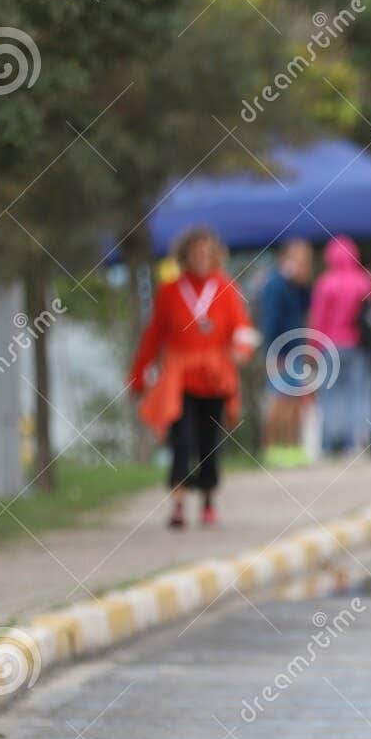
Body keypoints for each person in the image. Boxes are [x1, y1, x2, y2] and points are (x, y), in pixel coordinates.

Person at [128, 226, 258, 529]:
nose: (201, 259)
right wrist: (138, 375)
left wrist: (242, 350)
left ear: (215, 256)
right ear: (185, 256)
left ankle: (208, 499)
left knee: (209, 440)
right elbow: (154, 336)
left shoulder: (226, 288)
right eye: (195, 253)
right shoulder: (170, 291)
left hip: (215, 376)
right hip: (180, 378)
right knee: (182, 440)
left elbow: (242, 328)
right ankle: (178, 502)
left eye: (206, 253)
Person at [309, 236, 371, 454]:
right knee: (359, 392)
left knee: (330, 394)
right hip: (358, 346)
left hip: (329, 347)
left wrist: (312, 347)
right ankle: (358, 440)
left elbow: (318, 319)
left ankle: (331, 442)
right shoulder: (365, 282)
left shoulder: (325, 284)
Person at [258, 239, 314, 467]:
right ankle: (270, 448)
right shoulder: (274, 285)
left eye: (306, 261)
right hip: (280, 352)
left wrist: (302, 284)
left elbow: (306, 307)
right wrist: (274, 353)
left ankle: (292, 447)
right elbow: (270, 322)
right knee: (279, 402)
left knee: (295, 402)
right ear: (286, 259)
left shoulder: (295, 287)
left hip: (296, 350)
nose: (303, 266)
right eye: (299, 260)